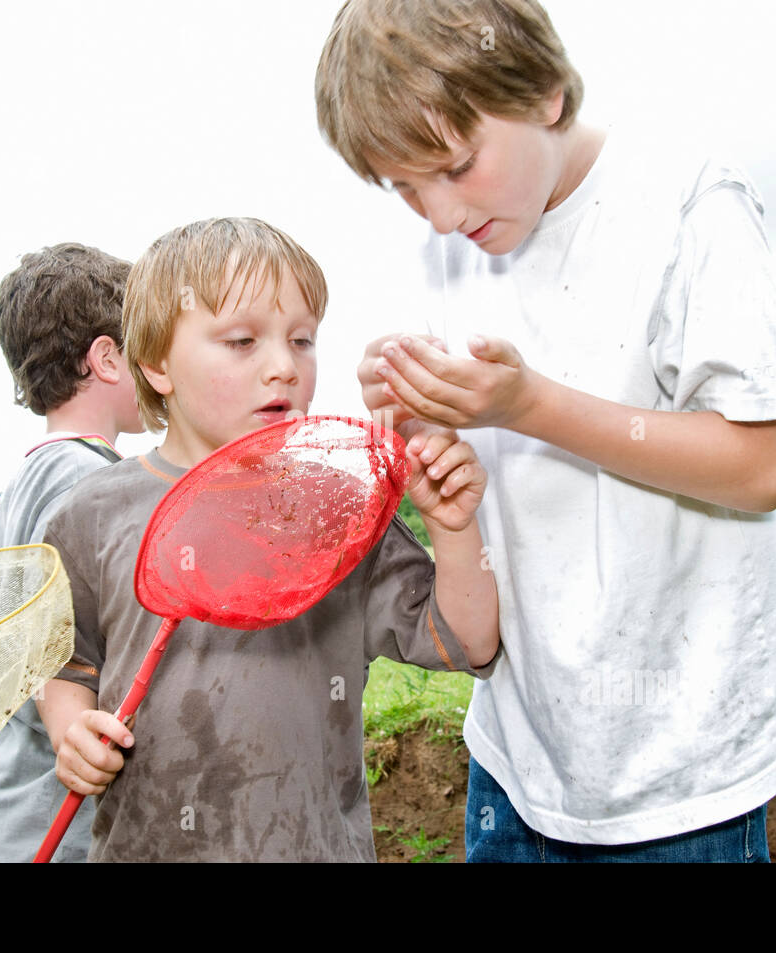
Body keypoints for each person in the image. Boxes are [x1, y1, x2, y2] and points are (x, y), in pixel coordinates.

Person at [316, 0, 776, 862]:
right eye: (405, 187)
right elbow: (474, 470)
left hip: (679, 784)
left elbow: (759, 464)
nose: (437, 216)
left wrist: (527, 405)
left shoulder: (688, 200)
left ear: (543, 93)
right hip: (514, 757)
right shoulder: (454, 243)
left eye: (456, 166)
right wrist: (412, 409)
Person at [38, 217, 500, 861]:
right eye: (242, 341)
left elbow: (466, 641)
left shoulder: (338, 510)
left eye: (303, 340)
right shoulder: (91, 513)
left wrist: (454, 530)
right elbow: (67, 662)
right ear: (156, 364)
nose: (284, 367)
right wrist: (70, 731)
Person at [0, 242, 145, 863]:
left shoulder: (30, 476)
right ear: (107, 358)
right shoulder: (88, 479)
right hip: (61, 819)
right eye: (146, 344)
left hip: (17, 794)